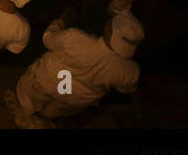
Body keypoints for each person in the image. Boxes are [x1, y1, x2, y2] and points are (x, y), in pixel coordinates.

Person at [7, 12, 142, 128]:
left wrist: (61, 21)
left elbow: (47, 39)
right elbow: (125, 89)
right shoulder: (131, 71)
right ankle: (41, 121)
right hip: (74, 101)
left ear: (110, 30)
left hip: (43, 82)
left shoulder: (76, 39)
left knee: (26, 101)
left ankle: (23, 115)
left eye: (112, 21)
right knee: (50, 113)